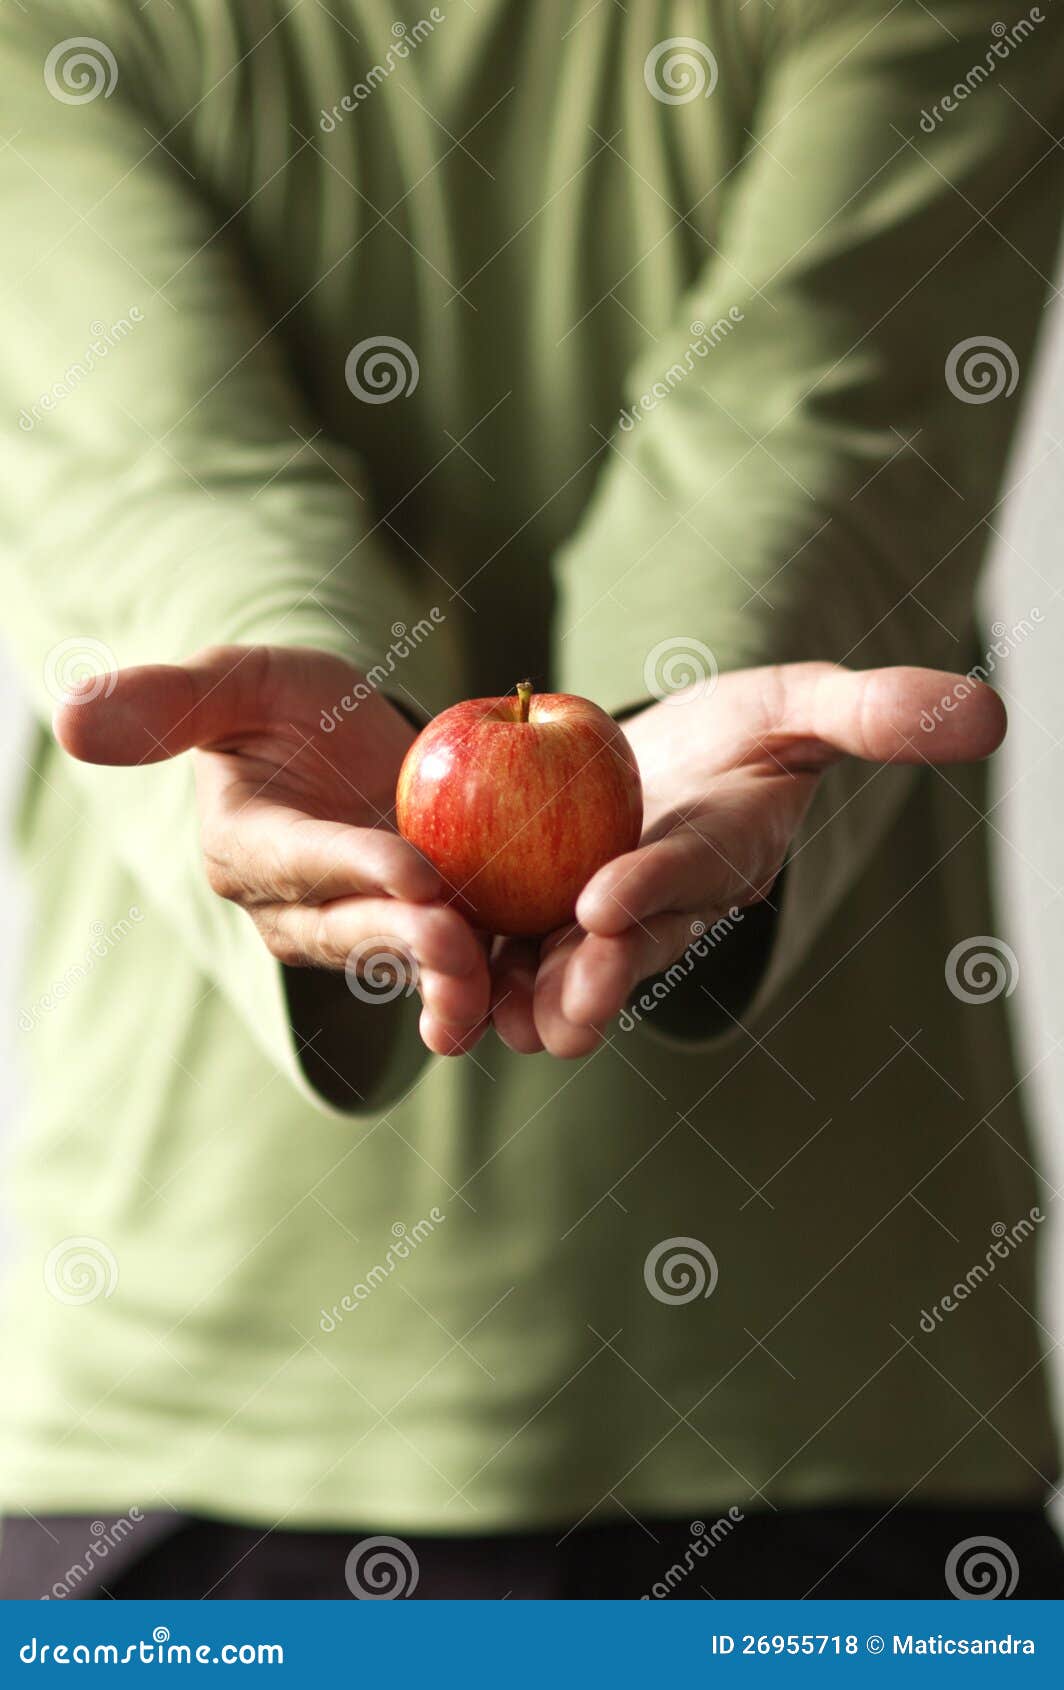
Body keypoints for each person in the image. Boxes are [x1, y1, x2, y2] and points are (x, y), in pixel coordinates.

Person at [0, 0, 1062, 1600]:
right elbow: (153, 470)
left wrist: (572, 754)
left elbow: (797, 432)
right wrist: (615, 750)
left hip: (766, 1392)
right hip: (784, 1358)